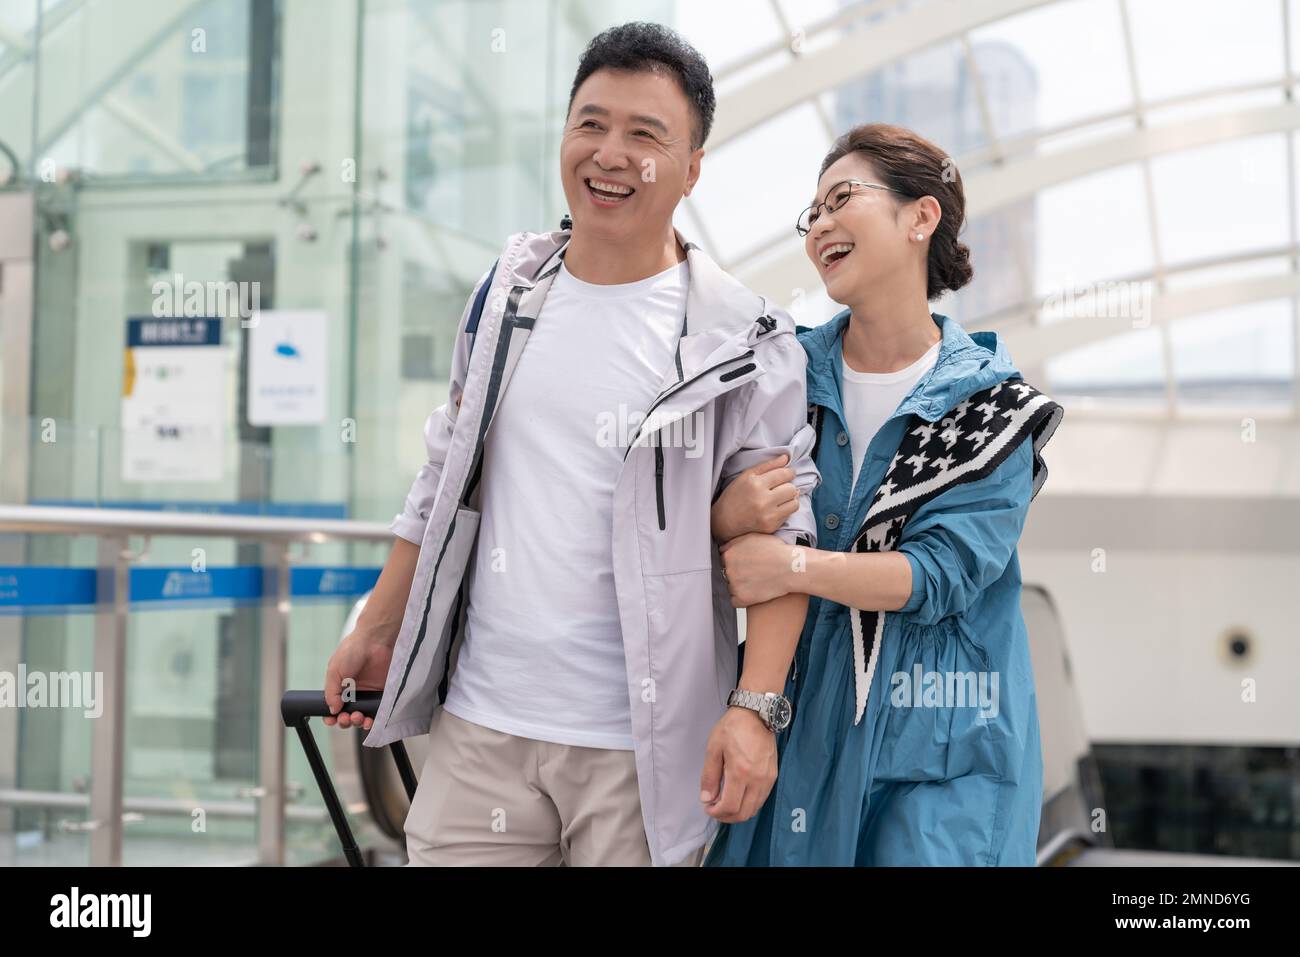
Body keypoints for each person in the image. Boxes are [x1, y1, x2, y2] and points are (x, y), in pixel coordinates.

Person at [321, 21, 820, 867]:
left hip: (641, 751)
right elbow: (445, 473)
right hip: (480, 730)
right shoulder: (507, 296)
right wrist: (380, 621)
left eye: (644, 134)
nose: (610, 154)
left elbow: (782, 542)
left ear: (692, 166)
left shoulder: (743, 337)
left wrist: (755, 710)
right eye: (590, 124)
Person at [703, 124, 1064, 866]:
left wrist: (796, 569)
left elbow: (940, 574)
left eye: (842, 199)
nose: (821, 227)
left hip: (942, 751)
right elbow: (696, 529)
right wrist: (725, 517)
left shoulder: (991, 407)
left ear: (919, 217)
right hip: (795, 723)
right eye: (812, 214)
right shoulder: (783, 374)